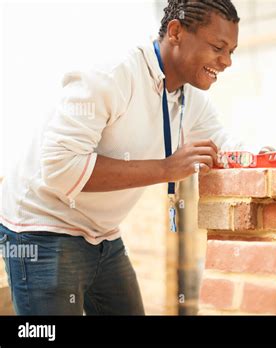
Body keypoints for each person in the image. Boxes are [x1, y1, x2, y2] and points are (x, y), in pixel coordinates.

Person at [0, 0, 248, 315]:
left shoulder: (190, 97)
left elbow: (225, 143)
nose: (226, 61)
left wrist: (272, 157)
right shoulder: (112, 74)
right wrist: (166, 169)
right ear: (175, 32)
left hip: (102, 233)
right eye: (218, 47)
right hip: (42, 225)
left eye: (232, 51)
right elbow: (60, 169)